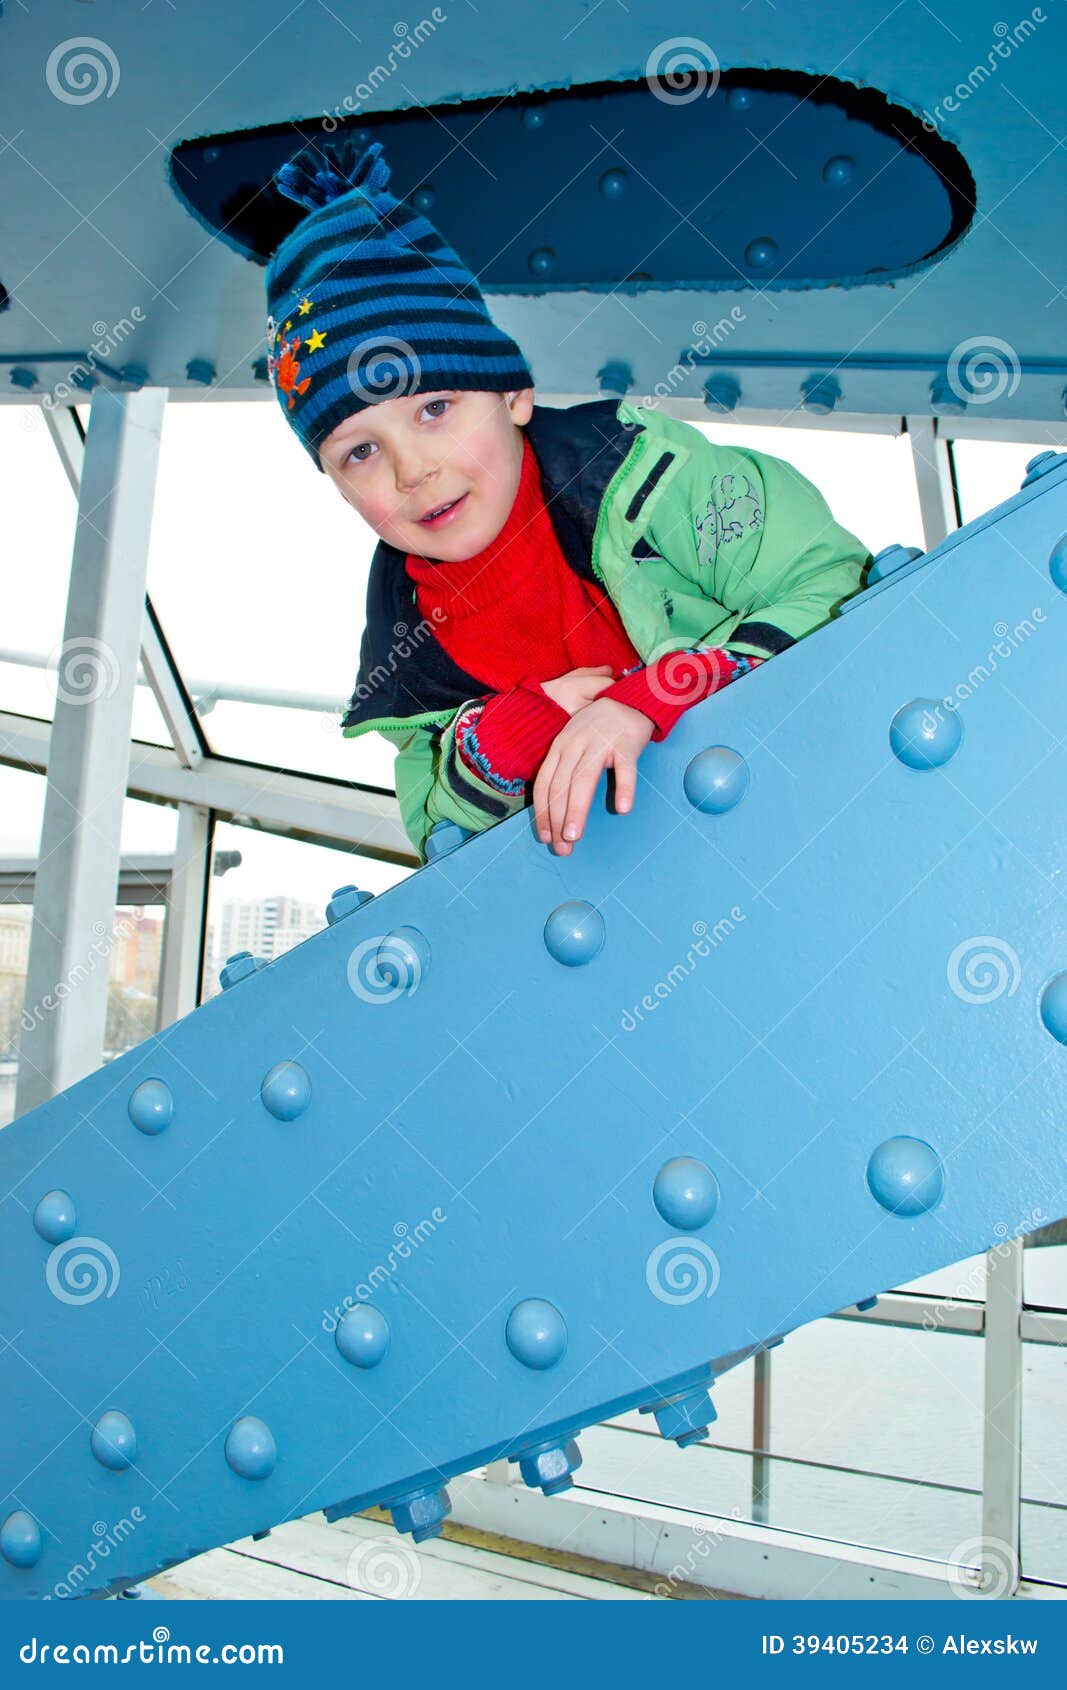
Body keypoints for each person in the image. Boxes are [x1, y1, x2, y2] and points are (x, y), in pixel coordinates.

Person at [265, 136, 872, 861]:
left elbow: (836, 587)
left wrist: (654, 695)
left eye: (435, 410)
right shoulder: (407, 665)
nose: (412, 470)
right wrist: (507, 736)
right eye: (359, 452)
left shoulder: (651, 479)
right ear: (331, 483)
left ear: (514, 395)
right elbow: (445, 841)